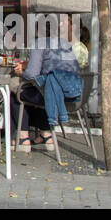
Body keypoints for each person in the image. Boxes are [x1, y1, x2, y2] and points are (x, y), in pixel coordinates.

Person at [13, 16, 81, 149]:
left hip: (53, 95)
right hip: (71, 94)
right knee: (39, 91)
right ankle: (46, 134)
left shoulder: (40, 43)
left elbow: (31, 75)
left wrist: (21, 73)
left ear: (38, 30)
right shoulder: (66, 44)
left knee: (15, 93)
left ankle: (23, 138)